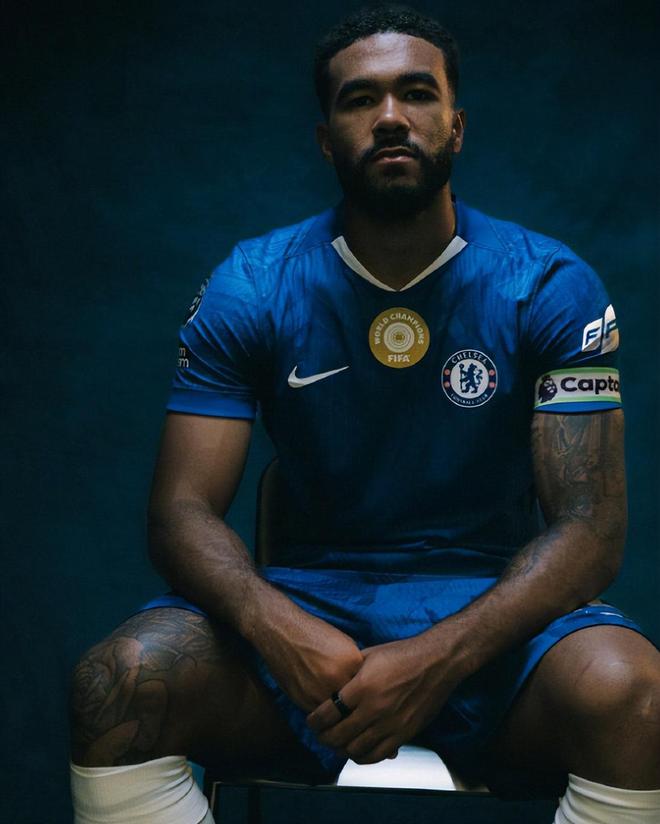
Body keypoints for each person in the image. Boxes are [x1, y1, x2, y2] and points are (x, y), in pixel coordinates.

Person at [69, 5, 660, 823]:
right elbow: (179, 512)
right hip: (307, 616)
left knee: (636, 696)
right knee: (120, 681)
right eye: (359, 99)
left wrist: (436, 658)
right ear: (326, 139)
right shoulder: (256, 284)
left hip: (497, 624)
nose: (389, 117)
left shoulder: (547, 284)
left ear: (456, 126)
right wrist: (278, 628)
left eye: (416, 93)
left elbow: (592, 529)